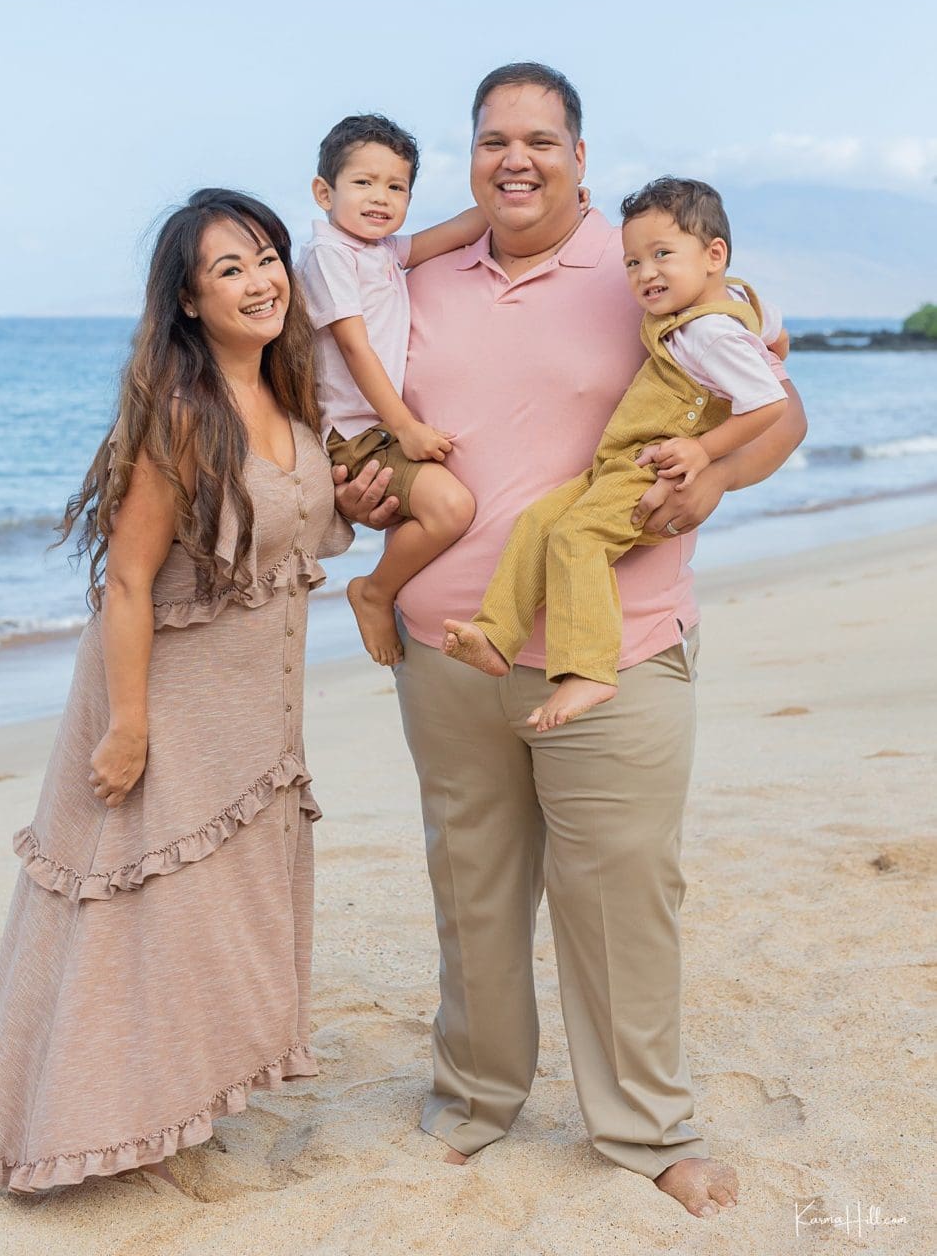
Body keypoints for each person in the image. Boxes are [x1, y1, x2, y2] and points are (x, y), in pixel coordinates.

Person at [331, 63, 806, 1221]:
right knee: (472, 883)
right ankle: (473, 1102)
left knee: (622, 894)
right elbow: (357, 420)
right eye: (493, 138)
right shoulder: (419, 274)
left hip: (621, 647)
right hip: (446, 644)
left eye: (540, 138)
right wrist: (357, 493)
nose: (515, 158)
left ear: (578, 156)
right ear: (471, 154)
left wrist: (711, 476)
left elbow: (777, 412)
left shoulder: (648, 265)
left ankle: (646, 1131)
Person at [0, 188, 352, 1193]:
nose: (260, 279)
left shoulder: (290, 391)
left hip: (254, 714)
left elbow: (302, 527)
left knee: (217, 914)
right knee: (140, 915)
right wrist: (128, 724)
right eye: (229, 268)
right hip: (169, 700)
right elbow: (128, 579)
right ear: (187, 300)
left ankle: (185, 1107)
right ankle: (82, 1125)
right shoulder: (186, 416)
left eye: (266, 257)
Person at [444, 175, 790, 729]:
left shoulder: (711, 334)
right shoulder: (736, 298)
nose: (645, 272)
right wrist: (773, 340)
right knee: (538, 522)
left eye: (661, 255)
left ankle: (589, 670)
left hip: (651, 467)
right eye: (632, 262)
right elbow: (771, 327)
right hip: (618, 463)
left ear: (713, 255)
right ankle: (495, 634)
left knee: (577, 539)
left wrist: (703, 453)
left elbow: (768, 403)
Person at [297, 113, 484, 666]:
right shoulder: (328, 255)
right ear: (323, 191)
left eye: (396, 186)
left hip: (378, 429)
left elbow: (459, 228)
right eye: (364, 183)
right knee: (451, 508)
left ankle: (391, 590)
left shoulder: (379, 251)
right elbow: (356, 350)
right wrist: (404, 427)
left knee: (439, 508)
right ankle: (373, 591)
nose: (381, 197)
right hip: (353, 436)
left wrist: (556, 201)